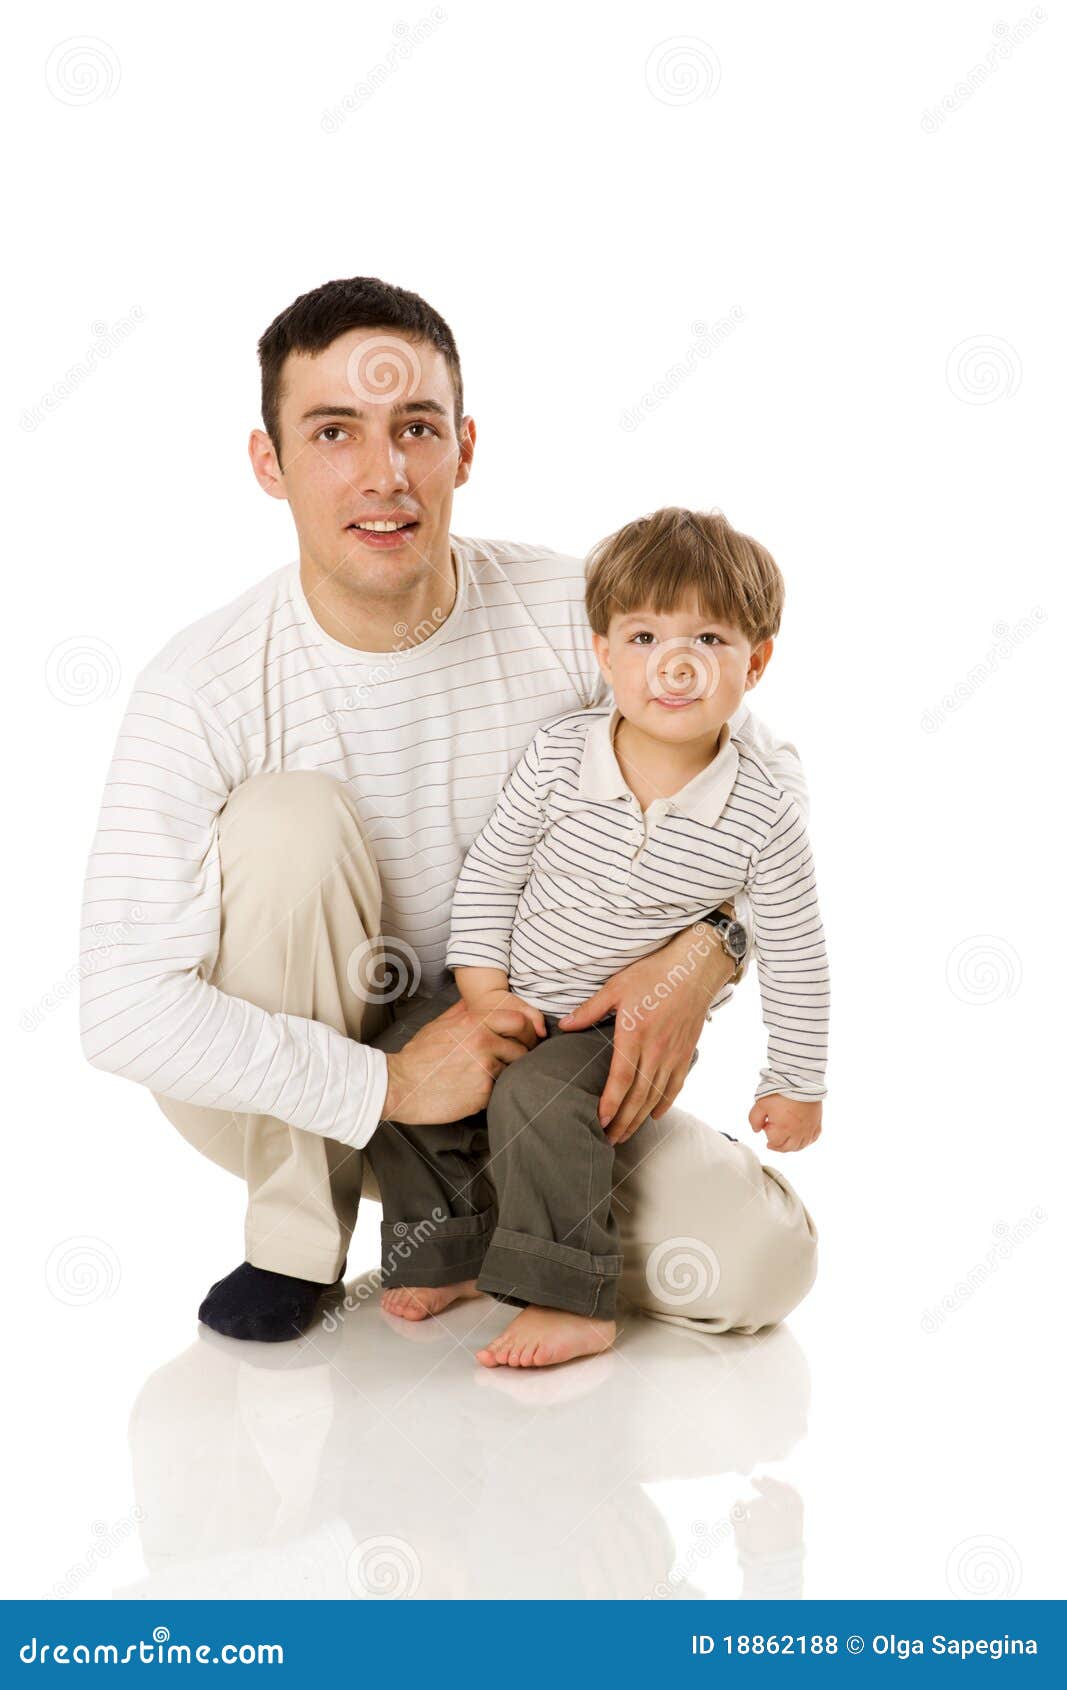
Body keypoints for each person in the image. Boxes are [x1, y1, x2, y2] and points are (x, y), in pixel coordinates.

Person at [78, 275, 819, 1343]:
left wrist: (704, 949)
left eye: (413, 428)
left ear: (463, 448)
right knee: (284, 824)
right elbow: (122, 1005)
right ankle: (298, 1240)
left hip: (532, 1067)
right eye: (333, 431)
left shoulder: (582, 615)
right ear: (268, 463)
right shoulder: (200, 684)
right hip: (297, 1090)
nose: (383, 474)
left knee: (759, 1264)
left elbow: (765, 780)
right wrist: (384, 1081)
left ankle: (485, 1225)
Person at [366, 508, 829, 1368]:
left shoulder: (761, 809)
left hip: (604, 1022)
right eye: (645, 635)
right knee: (399, 1059)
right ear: (604, 653)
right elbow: (493, 874)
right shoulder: (557, 757)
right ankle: (447, 1252)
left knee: (538, 1102)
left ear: (754, 662)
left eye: (710, 639)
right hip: (512, 991)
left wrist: (796, 1081)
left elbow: (798, 951)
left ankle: (566, 1297)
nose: (676, 662)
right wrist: (478, 986)